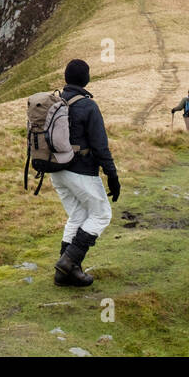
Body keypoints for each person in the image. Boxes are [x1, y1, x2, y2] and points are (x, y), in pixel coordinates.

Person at [51, 59, 120, 288]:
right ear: (86, 78)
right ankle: (69, 261)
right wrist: (112, 175)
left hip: (56, 172)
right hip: (80, 172)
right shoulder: (88, 106)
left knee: (78, 215)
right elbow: (100, 146)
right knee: (101, 215)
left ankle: (65, 274)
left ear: (66, 77)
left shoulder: (55, 102)